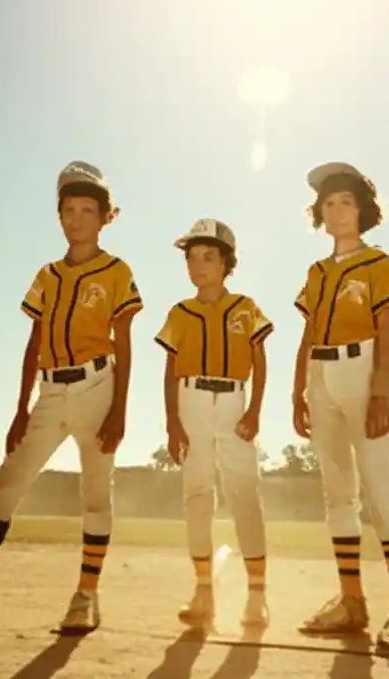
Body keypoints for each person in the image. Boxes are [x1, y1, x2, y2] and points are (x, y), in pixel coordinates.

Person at [0, 161, 142, 635]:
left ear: (105, 217)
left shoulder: (117, 271)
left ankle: (86, 595)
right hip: (50, 391)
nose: (76, 218)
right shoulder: (48, 275)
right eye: (68, 209)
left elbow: (124, 342)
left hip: (99, 386)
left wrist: (120, 410)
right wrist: (20, 409)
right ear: (58, 215)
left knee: (95, 496)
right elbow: (33, 342)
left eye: (87, 210)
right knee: (3, 488)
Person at [291, 162, 389, 650]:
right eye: (328, 203)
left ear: (363, 210)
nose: (337, 209)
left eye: (346, 201)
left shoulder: (378, 263)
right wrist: (297, 390)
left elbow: (388, 328)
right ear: (319, 215)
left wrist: (381, 392)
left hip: (362, 370)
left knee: (380, 494)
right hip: (320, 377)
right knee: (337, 495)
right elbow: (307, 333)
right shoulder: (317, 271)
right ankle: (351, 602)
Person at [157, 218, 272, 630]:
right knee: (197, 494)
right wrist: (172, 423)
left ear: (226, 263)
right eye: (192, 258)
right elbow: (170, 370)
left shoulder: (245, 307)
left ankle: (257, 596)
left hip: (233, 402)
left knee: (244, 492)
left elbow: (259, 360)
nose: (198, 265)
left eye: (209, 256)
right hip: (190, 402)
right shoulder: (180, 312)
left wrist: (256, 408)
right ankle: (202, 590)